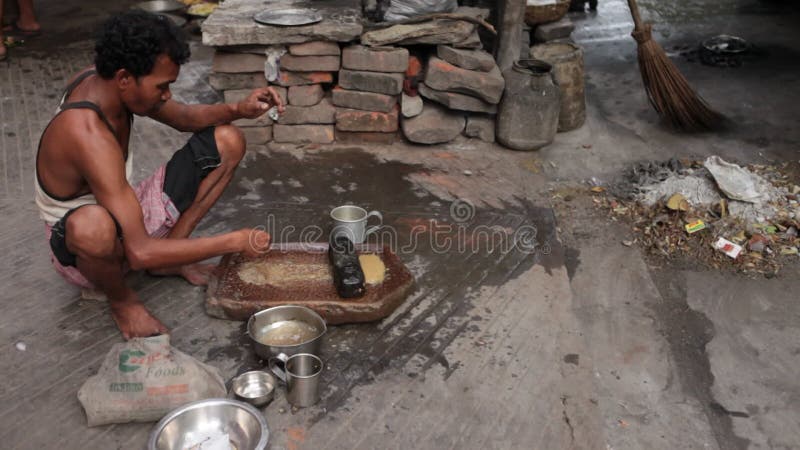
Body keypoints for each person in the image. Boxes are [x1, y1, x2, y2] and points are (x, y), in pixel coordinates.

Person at [34, 10, 284, 339]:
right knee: (93, 227)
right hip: (83, 251)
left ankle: (169, 259)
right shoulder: (85, 132)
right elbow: (139, 252)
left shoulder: (110, 80)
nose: (166, 95)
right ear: (125, 78)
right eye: (162, 86)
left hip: (122, 212)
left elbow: (183, 116)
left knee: (228, 139)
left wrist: (238, 110)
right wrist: (234, 242)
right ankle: (122, 300)